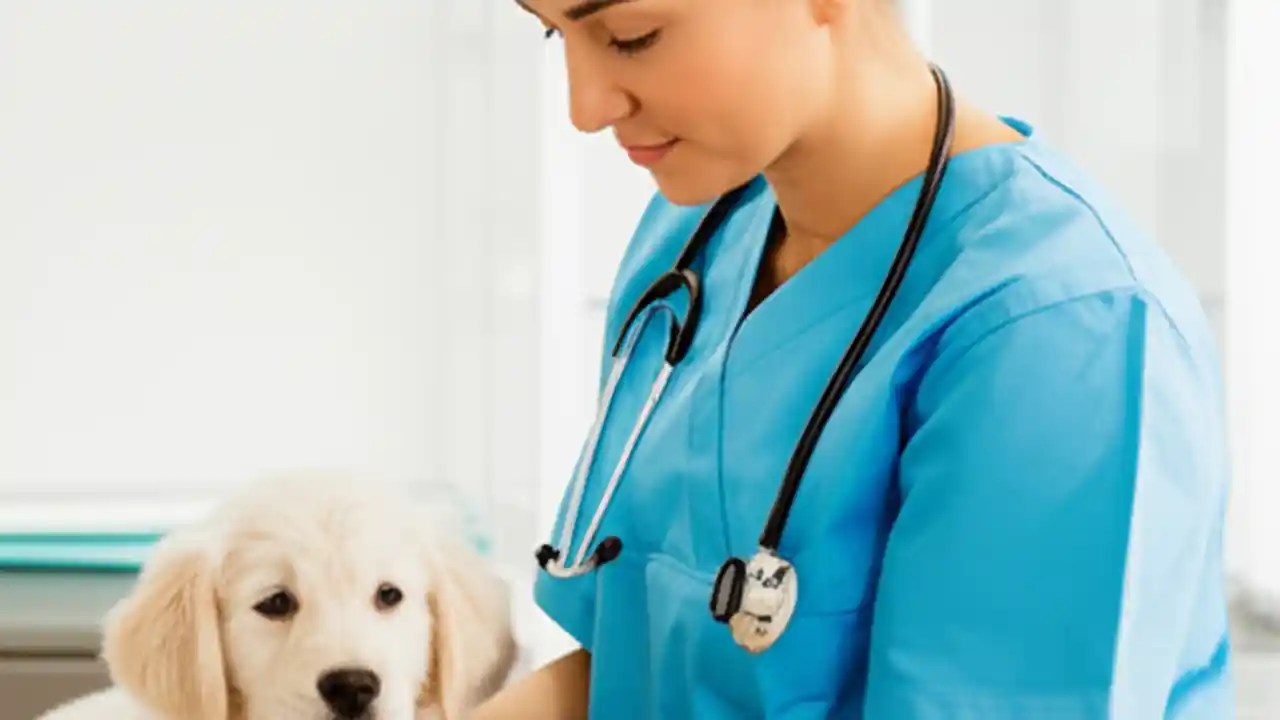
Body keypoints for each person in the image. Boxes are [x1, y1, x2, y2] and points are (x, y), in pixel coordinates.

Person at [476, 0, 1234, 717]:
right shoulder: (691, 243)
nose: (584, 108)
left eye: (631, 34)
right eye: (554, 32)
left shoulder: (1057, 330)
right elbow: (639, 672)